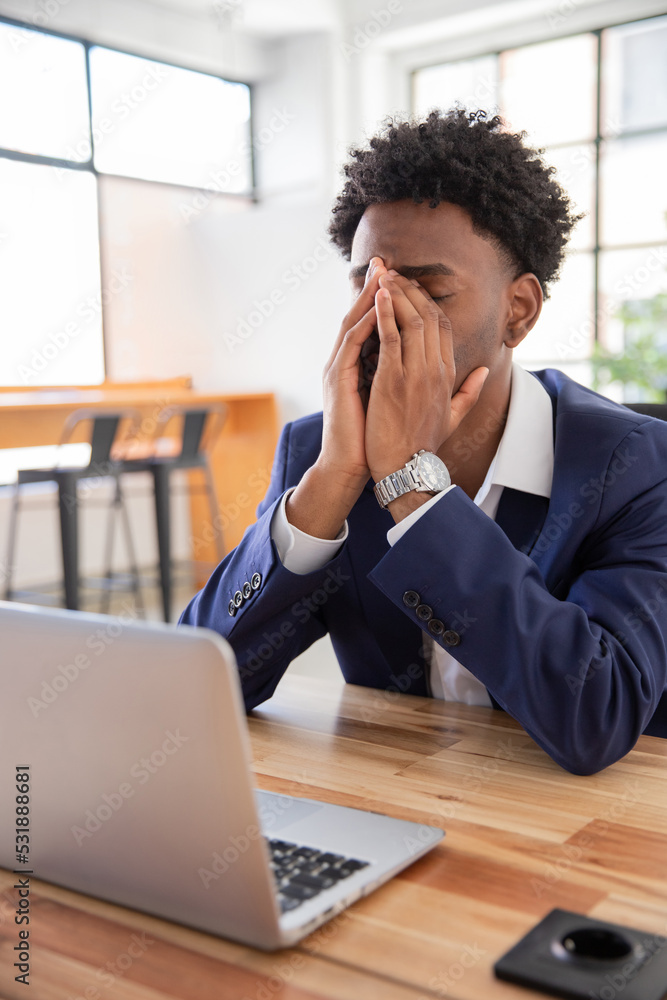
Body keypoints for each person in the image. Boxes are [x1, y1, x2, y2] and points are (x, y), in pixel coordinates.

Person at [180, 108, 667, 776]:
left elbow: (595, 716)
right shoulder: (318, 454)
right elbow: (195, 688)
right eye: (365, 283)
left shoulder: (633, 465)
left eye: (427, 288)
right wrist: (327, 487)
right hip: (404, 807)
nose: (385, 315)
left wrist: (413, 486)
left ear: (516, 312)